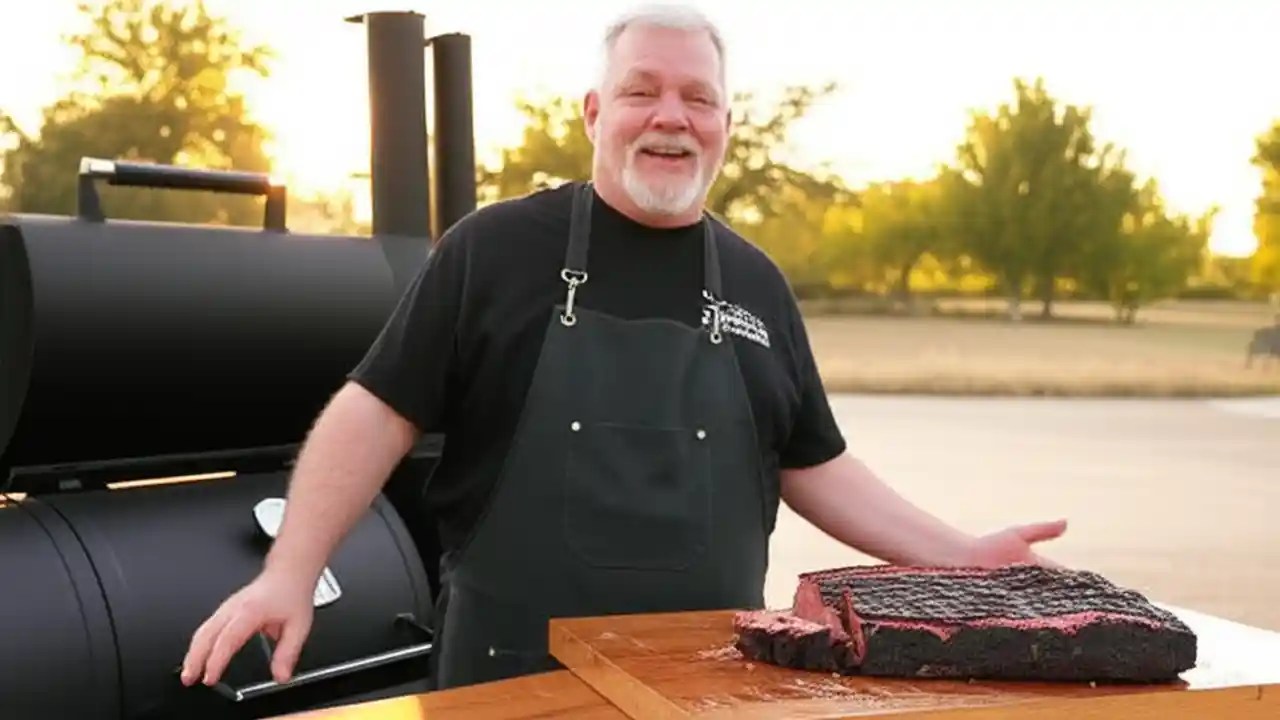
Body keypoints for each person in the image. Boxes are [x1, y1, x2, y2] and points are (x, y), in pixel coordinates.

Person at [180, 3, 1067, 693]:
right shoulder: (493, 250)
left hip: (707, 684)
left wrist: (960, 556)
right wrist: (288, 575)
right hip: (508, 676)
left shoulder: (758, 285)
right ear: (596, 111)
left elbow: (814, 464)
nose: (670, 118)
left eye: (698, 97)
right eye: (642, 91)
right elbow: (374, 414)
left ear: (725, 122)